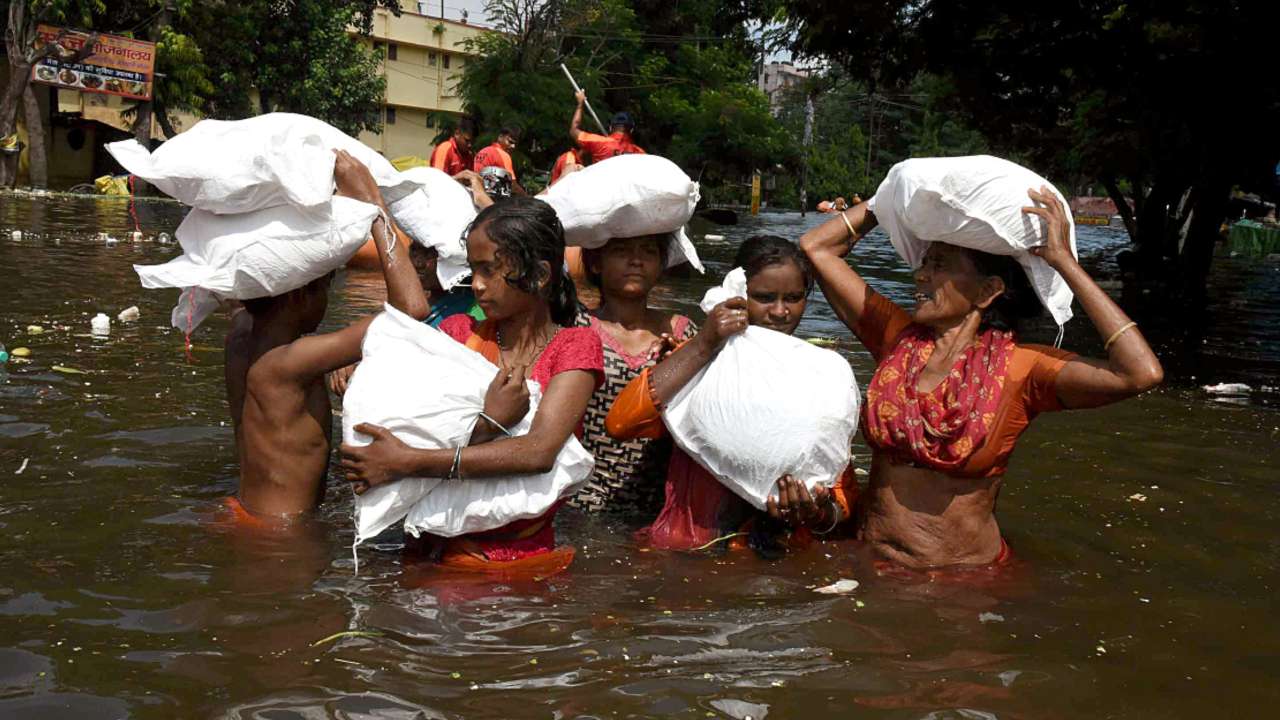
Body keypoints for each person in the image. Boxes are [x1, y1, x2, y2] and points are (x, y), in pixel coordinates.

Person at [800, 189, 1163, 569]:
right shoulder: (897, 339)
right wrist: (886, 202)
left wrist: (1062, 261)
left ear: (988, 291)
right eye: (924, 261)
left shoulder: (1022, 368)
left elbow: (1140, 373)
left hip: (963, 582)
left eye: (939, 264)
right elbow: (816, 248)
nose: (920, 274)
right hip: (870, 561)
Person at [339, 197, 604, 574]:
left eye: (489, 270)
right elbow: (411, 413)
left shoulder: (575, 346)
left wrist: (408, 462)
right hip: (426, 548)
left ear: (540, 275)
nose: (475, 285)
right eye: (472, 268)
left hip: (514, 562)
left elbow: (538, 451)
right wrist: (363, 373)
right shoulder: (456, 334)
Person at [606, 236, 858, 554]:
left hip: (774, 557)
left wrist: (817, 512)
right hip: (690, 551)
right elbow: (620, 423)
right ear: (737, 293)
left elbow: (841, 492)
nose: (781, 312)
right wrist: (704, 343)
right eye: (765, 297)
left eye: (793, 298)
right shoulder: (701, 361)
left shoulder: (822, 376)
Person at [224, 151, 430, 519]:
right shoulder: (292, 361)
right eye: (325, 286)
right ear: (301, 293)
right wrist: (374, 206)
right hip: (283, 535)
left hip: (246, 510)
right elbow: (412, 310)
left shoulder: (240, 333)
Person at [568, 235, 698, 516]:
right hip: (580, 500)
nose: (636, 260)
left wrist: (679, 363)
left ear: (661, 265)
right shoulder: (575, 328)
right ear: (596, 264)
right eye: (621, 251)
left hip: (656, 503)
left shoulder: (682, 334)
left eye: (649, 251)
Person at [327, 240, 485, 396]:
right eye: (415, 250)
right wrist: (351, 360)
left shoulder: (475, 311)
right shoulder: (413, 309)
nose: (418, 262)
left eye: (430, 254)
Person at [570, 90, 645, 163]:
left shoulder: (599, 142)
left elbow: (574, 130)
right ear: (631, 130)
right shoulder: (640, 153)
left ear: (610, 128)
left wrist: (580, 104)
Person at [473, 126, 527, 196]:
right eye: (510, 142)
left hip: (476, 192)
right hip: (490, 197)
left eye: (515, 144)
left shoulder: (482, 151)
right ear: (500, 137)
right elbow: (513, 185)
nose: (513, 146)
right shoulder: (503, 155)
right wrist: (528, 198)